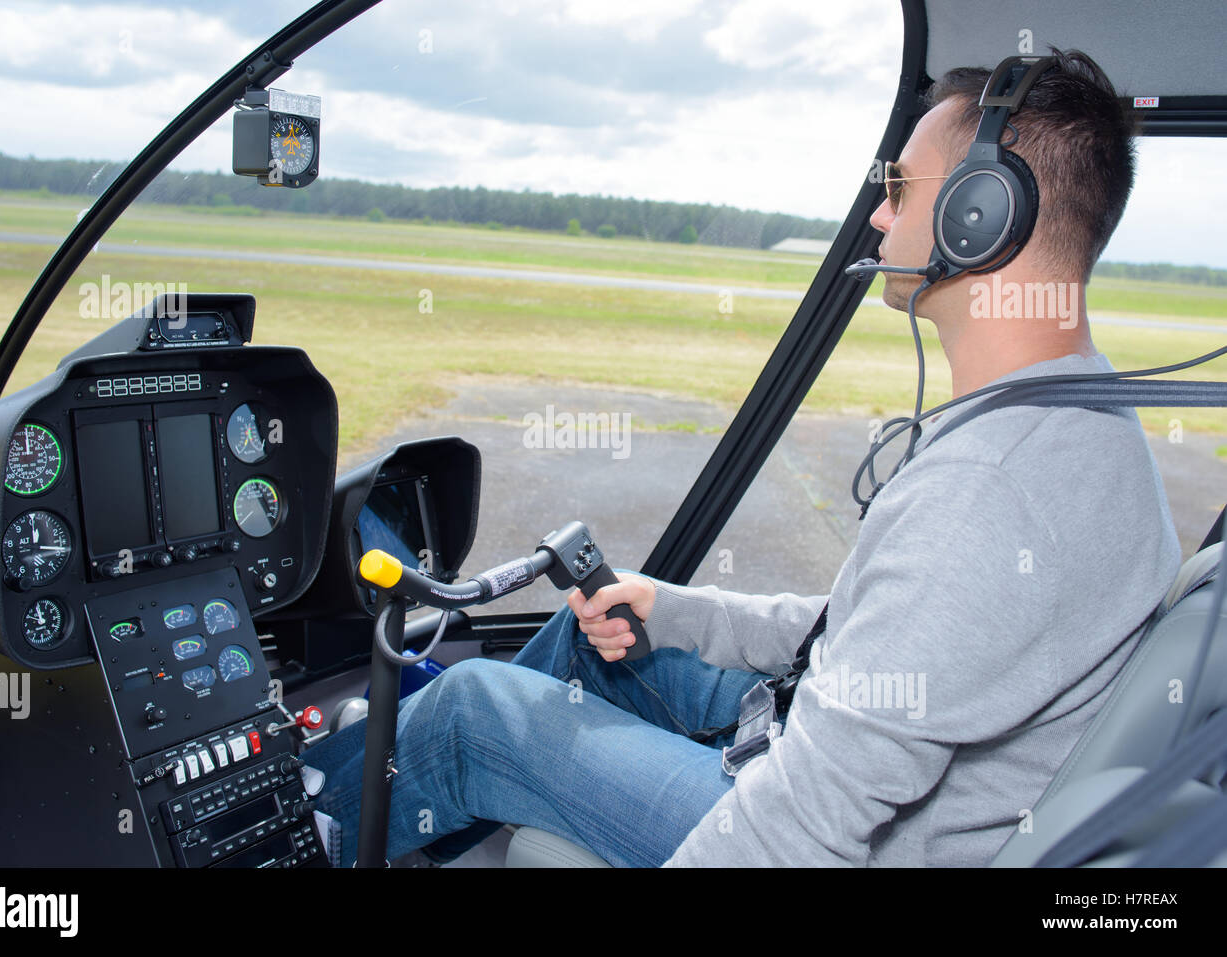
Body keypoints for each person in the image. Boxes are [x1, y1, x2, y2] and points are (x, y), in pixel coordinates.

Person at [301, 49, 1182, 867]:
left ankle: (287, 830)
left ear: (980, 214)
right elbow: (865, 637)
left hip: (847, 837)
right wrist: (677, 609)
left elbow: (809, 820)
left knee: (470, 712)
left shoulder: (991, 491)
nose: (878, 214)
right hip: (814, 739)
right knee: (592, 634)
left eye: (901, 189)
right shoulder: (1077, 417)